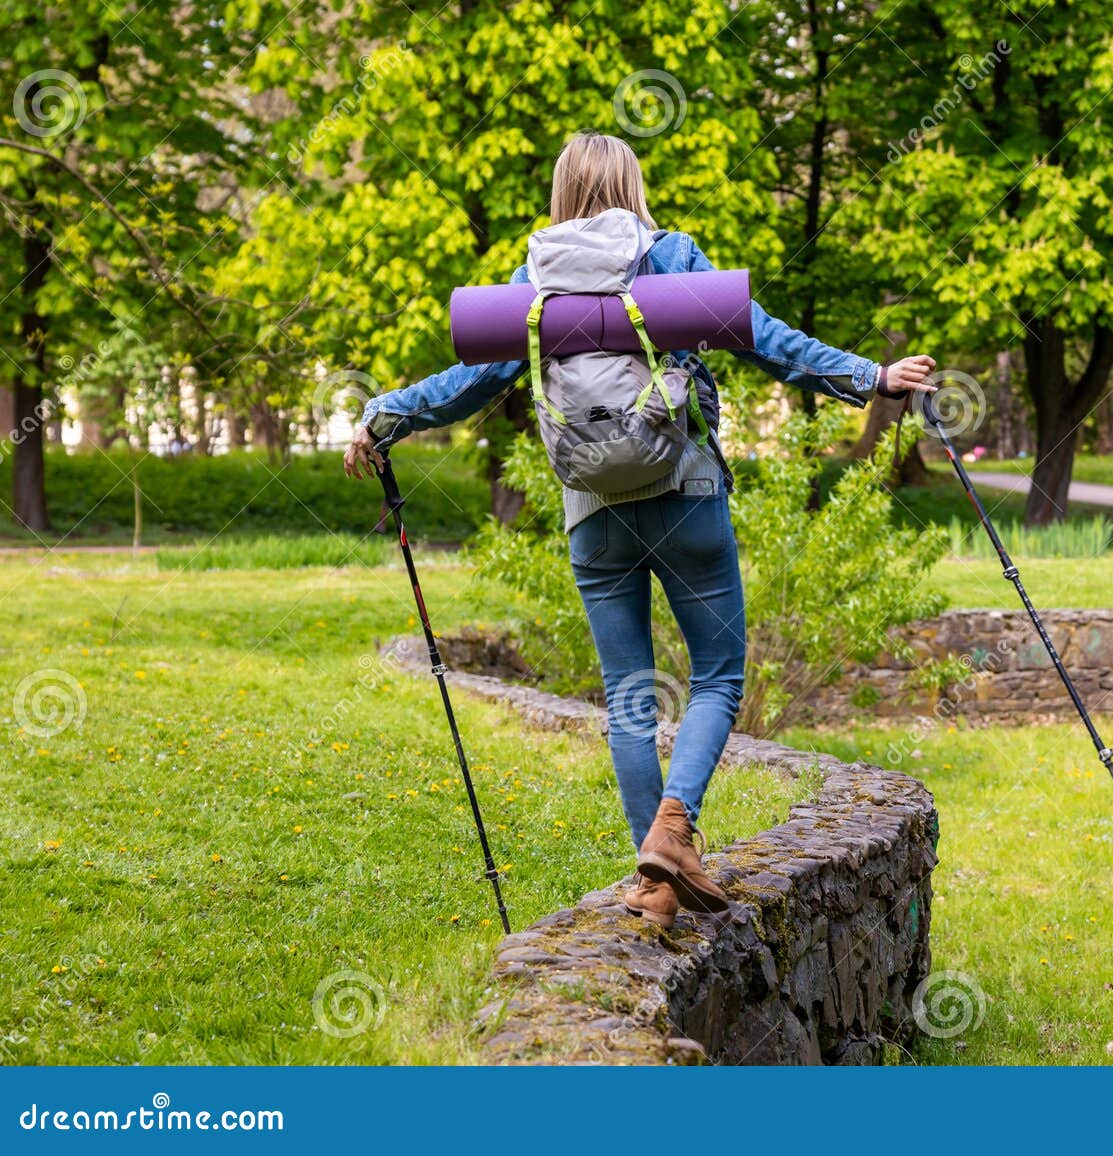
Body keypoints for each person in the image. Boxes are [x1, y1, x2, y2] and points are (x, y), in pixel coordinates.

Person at [346, 131, 936, 928]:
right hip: (685, 493)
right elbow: (760, 337)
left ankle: (655, 883)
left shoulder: (534, 283)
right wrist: (870, 376)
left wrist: (383, 416)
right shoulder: (669, 256)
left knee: (628, 697)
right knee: (720, 674)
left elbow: (470, 381)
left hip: (594, 515)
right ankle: (673, 831)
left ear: (562, 194)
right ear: (631, 184)